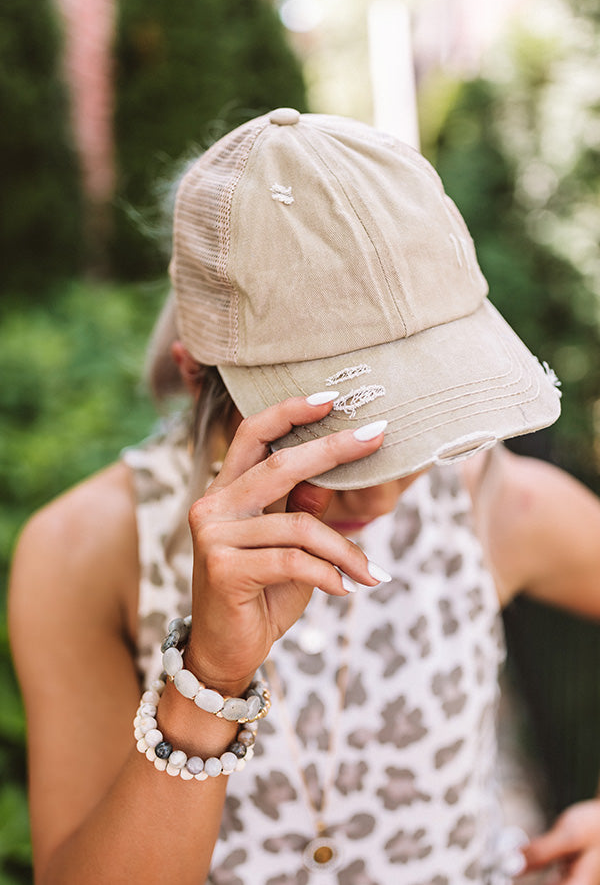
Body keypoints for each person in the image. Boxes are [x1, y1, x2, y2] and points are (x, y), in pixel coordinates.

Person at [9, 107, 600, 885]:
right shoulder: (85, 553)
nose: (381, 494)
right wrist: (209, 678)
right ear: (196, 376)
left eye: (416, 425)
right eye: (329, 440)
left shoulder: (486, 503)